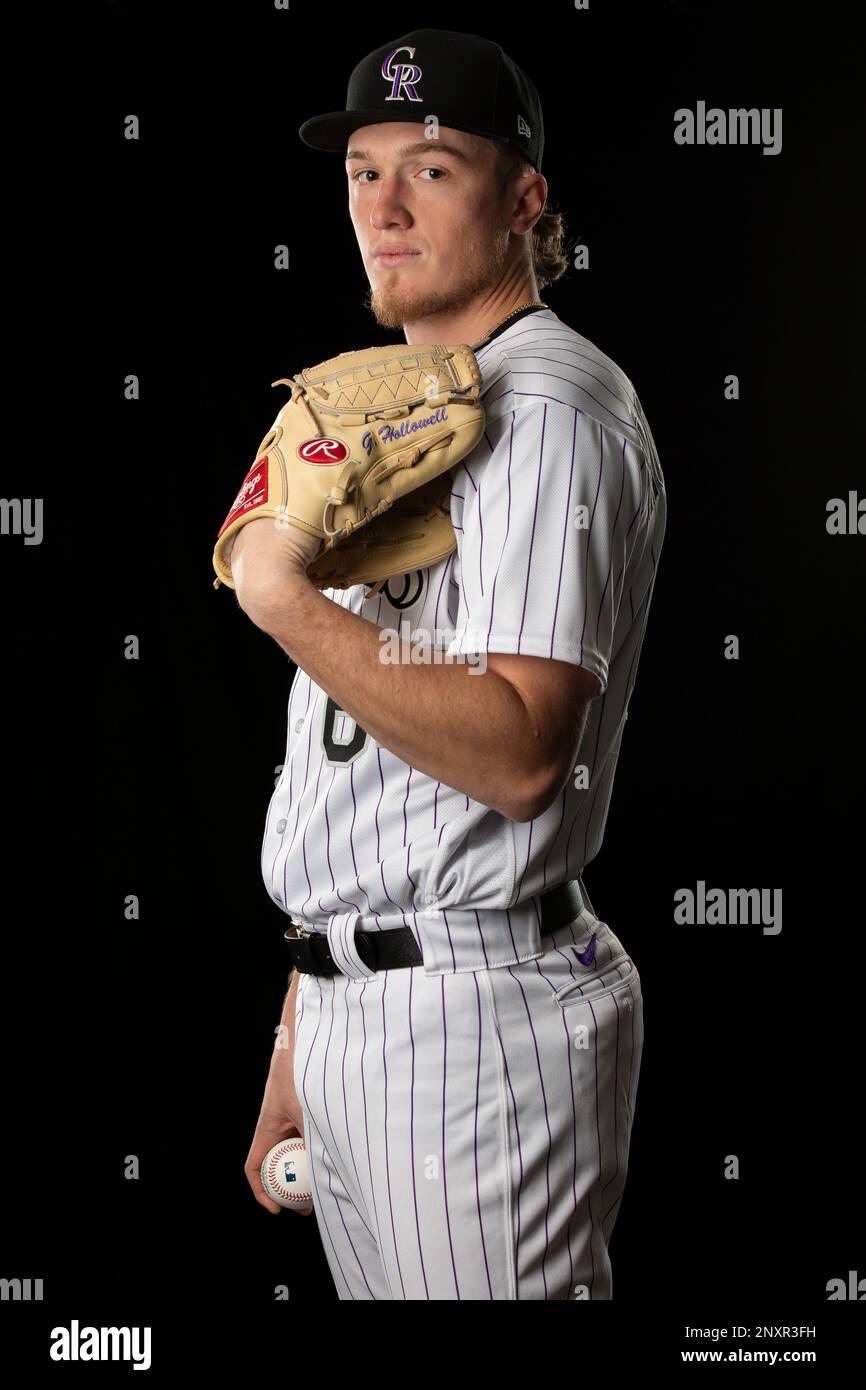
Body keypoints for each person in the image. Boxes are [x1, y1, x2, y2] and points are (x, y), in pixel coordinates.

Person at [238, 27, 667, 1300]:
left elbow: (522, 752)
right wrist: (296, 1042)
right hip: (360, 1015)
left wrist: (280, 596)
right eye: (361, 171)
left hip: (472, 1025)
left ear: (524, 201)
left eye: (428, 168)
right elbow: (362, 775)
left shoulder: (546, 412)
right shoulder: (416, 398)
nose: (381, 206)